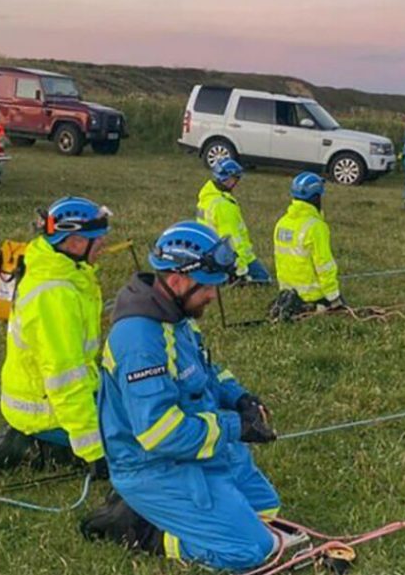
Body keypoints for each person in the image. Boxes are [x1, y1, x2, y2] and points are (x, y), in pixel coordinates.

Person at [87, 221, 282, 570]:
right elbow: (160, 433)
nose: (212, 295)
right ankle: (141, 528)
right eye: (208, 287)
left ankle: (182, 510)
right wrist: (236, 427)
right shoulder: (139, 343)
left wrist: (239, 398)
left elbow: (207, 371)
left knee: (267, 510)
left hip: (194, 448)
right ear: (177, 278)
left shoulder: (176, 317)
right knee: (250, 550)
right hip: (153, 465)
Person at [0, 197, 111, 479]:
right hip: (45, 410)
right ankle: (31, 446)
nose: (103, 245)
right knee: (128, 438)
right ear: (73, 242)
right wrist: (95, 452)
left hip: (53, 397)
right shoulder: (55, 296)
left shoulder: (61, 270)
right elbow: (65, 380)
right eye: (97, 239)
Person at [270, 172, 344, 320]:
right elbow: (324, 265)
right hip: (311, 295)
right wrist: (334, 298)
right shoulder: (315, 227)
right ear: (316, 197)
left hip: (287, 293)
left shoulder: (282, 222)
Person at [196, 158, 271, 283]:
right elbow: (233, 240)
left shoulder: (207, 198)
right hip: (228, 258)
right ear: (228, 180)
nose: (237, 182)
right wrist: (241, 268)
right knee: (264, 280)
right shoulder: (224, 205)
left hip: (210, 254)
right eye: (236, 178)